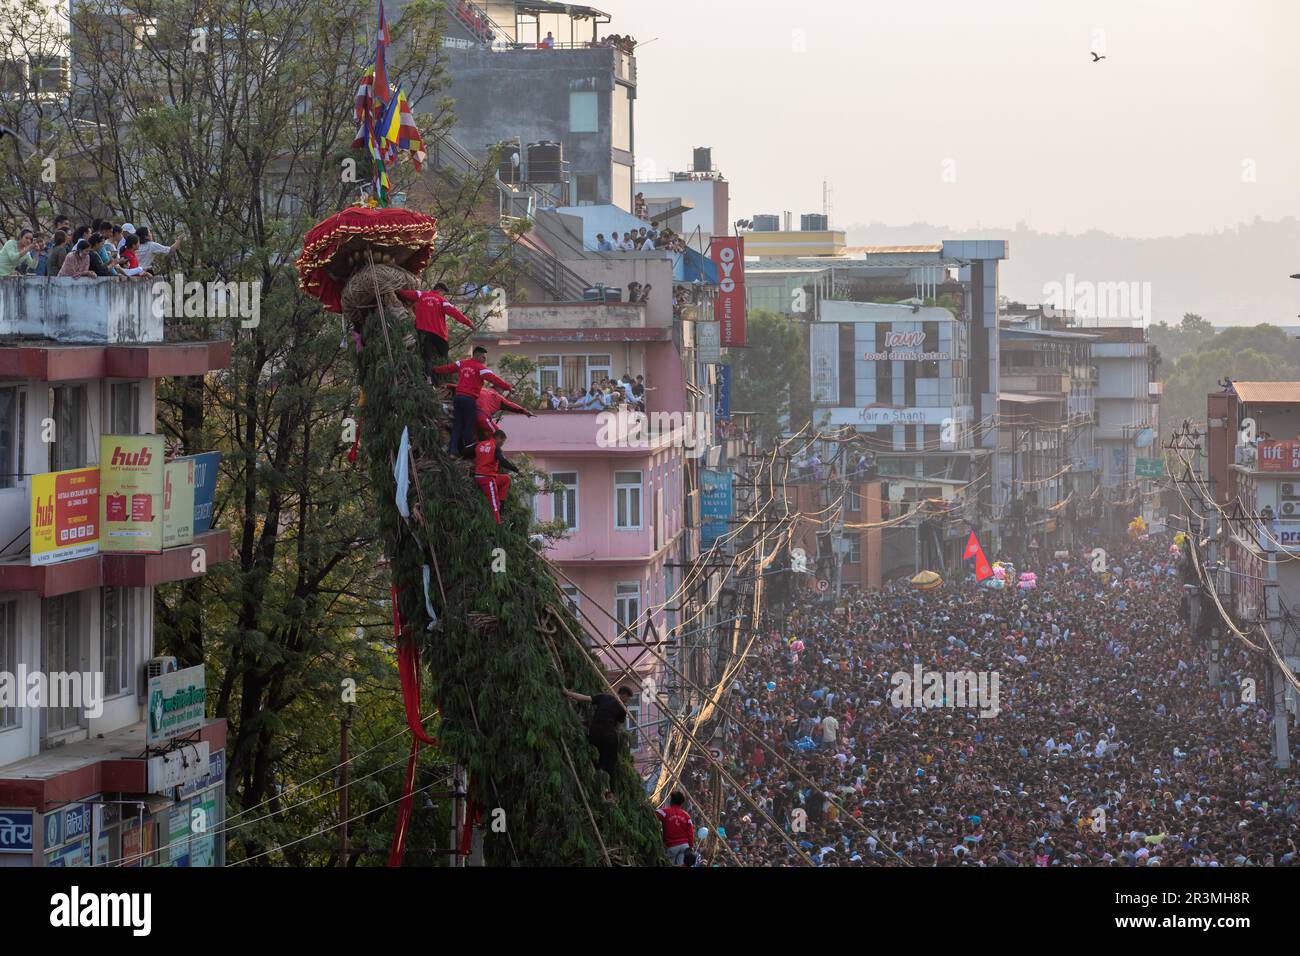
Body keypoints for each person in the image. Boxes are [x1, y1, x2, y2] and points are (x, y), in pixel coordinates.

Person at [434, 345, 513, 455]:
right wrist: (508, 387)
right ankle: (468, 450)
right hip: (469, 399)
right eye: (483, 357)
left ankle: (452, 451)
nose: (484, 359)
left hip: (458, 398)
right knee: (469, 425)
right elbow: (495, 379)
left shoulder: (461, 363)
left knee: (457, 425)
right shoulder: (481, 369)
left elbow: (448, 368)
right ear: (476, 355)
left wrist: (434, 370)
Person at [563, 685, 633, 796]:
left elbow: (584, 698)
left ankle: (595, 782)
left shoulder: (604, 697)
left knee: (596, 760)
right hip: (608, 736)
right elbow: (619, 723)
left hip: (594, 734)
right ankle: (610, 791)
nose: (627, 700)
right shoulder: (622, 707)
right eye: (628, 698)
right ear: (624, 695)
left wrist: (568, 693)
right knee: (610, 764)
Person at [397, 282, 475, 381]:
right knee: (444, 358)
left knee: (427, 358)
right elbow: (455, 313)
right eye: (444, 293)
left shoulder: (421, 295)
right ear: (439, 290)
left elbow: (406, 293)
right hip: (439, 334)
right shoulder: (442, 300)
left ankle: (429, 379)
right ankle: (443, 377)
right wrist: (470, 324)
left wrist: (397, 291)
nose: (444, 295)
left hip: (424, 332)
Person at [472, 427, 519, 523]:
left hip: (480, 475)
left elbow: (467, 451)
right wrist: (516, 470)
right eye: (502, 442)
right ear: (499, 438)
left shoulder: (479, 444)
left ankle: (501, 503)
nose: (502, 444)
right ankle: (497, 521)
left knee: (506, 478)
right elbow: (503, 462)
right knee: (494, 501)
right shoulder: (495, 448)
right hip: (487, 478)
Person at [656, 792, 696, 866]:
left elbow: (655, 812)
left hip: (671, 846)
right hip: (684, 846)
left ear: (671, 801)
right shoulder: (686, 816)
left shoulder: (664, 812)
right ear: (681, 803)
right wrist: (690, 847)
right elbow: (691, 833)